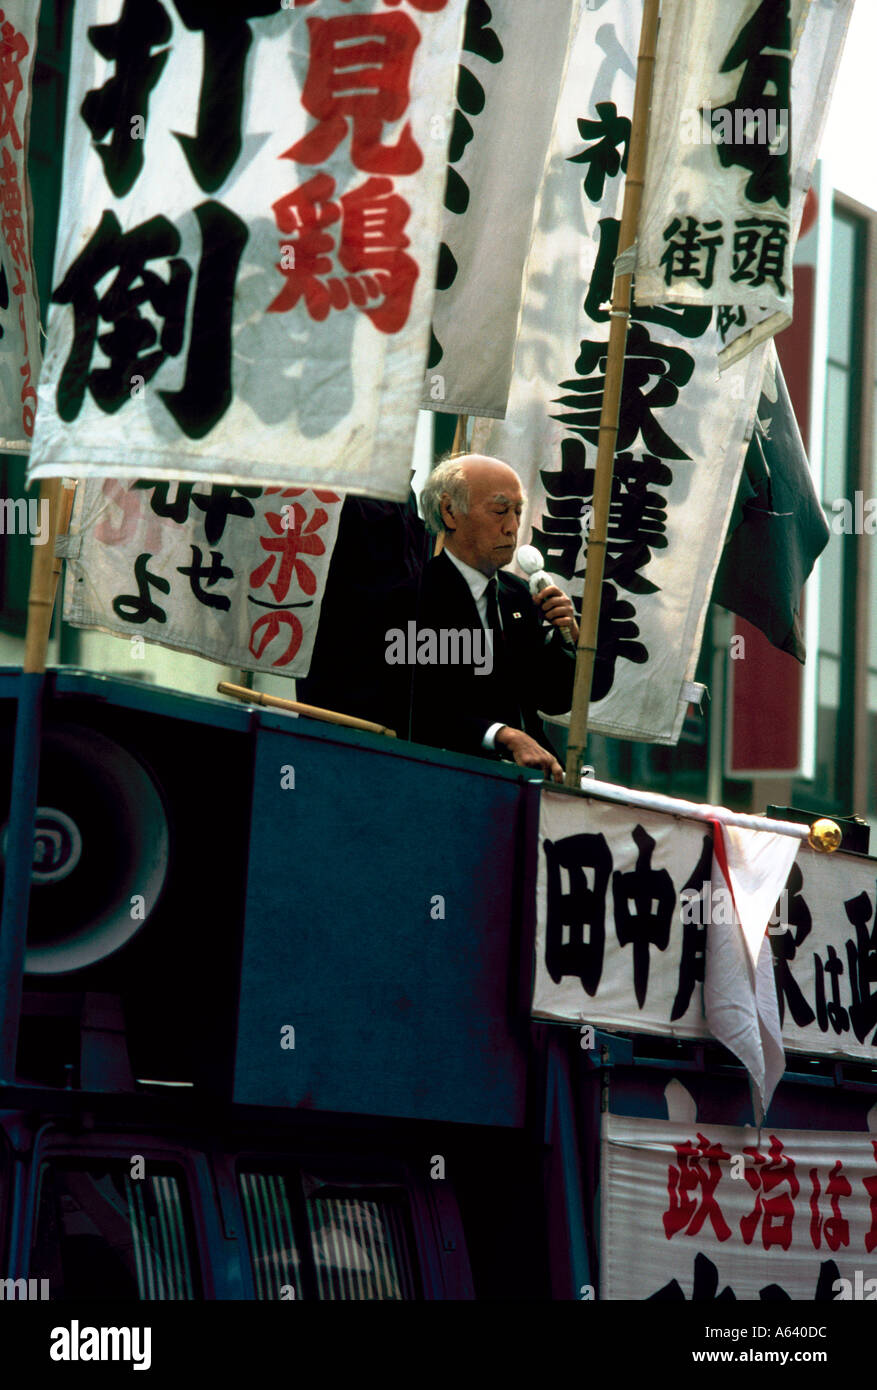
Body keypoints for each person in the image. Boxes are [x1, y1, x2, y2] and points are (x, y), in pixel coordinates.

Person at [391, 454, 579, 782]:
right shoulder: (415, 597)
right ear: (449, 512)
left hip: (531, 778)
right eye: (500, 510)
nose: (512, 526)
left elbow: (553, 698)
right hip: (450, 775)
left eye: (518, 512)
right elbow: (419, 708)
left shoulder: (519, 595)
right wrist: (502, 734)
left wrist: (566, 637)